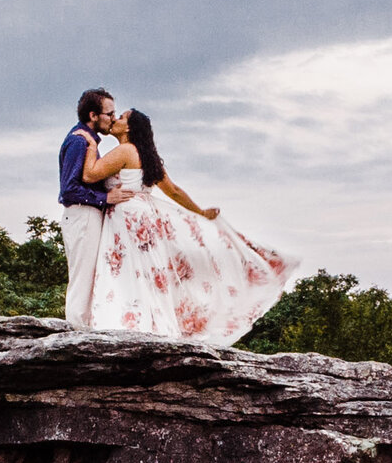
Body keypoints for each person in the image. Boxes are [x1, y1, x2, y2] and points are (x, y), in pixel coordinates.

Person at [80, 107, 296, 342]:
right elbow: (173, 191)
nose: (115, 120)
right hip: (145, 219)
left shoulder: (124, 151)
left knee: (127, 273)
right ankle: (149, 328)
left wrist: (92, 146)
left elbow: (90, 175)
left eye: (121, 117)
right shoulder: (146, 155)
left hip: (127, 218)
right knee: (146, 274)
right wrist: (200, 212)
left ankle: (124, 324)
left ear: (130, 127)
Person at [58, 88, 140, 325]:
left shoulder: (89, 142)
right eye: (109, 114)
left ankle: (85, 333)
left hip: (89, 216)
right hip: (82, 215)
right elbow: (68, 190)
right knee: (82, 280)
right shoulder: (78, 142)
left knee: (93, 278)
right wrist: (106, 199)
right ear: (93, 116)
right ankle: (77, 336)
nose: (113, 118)